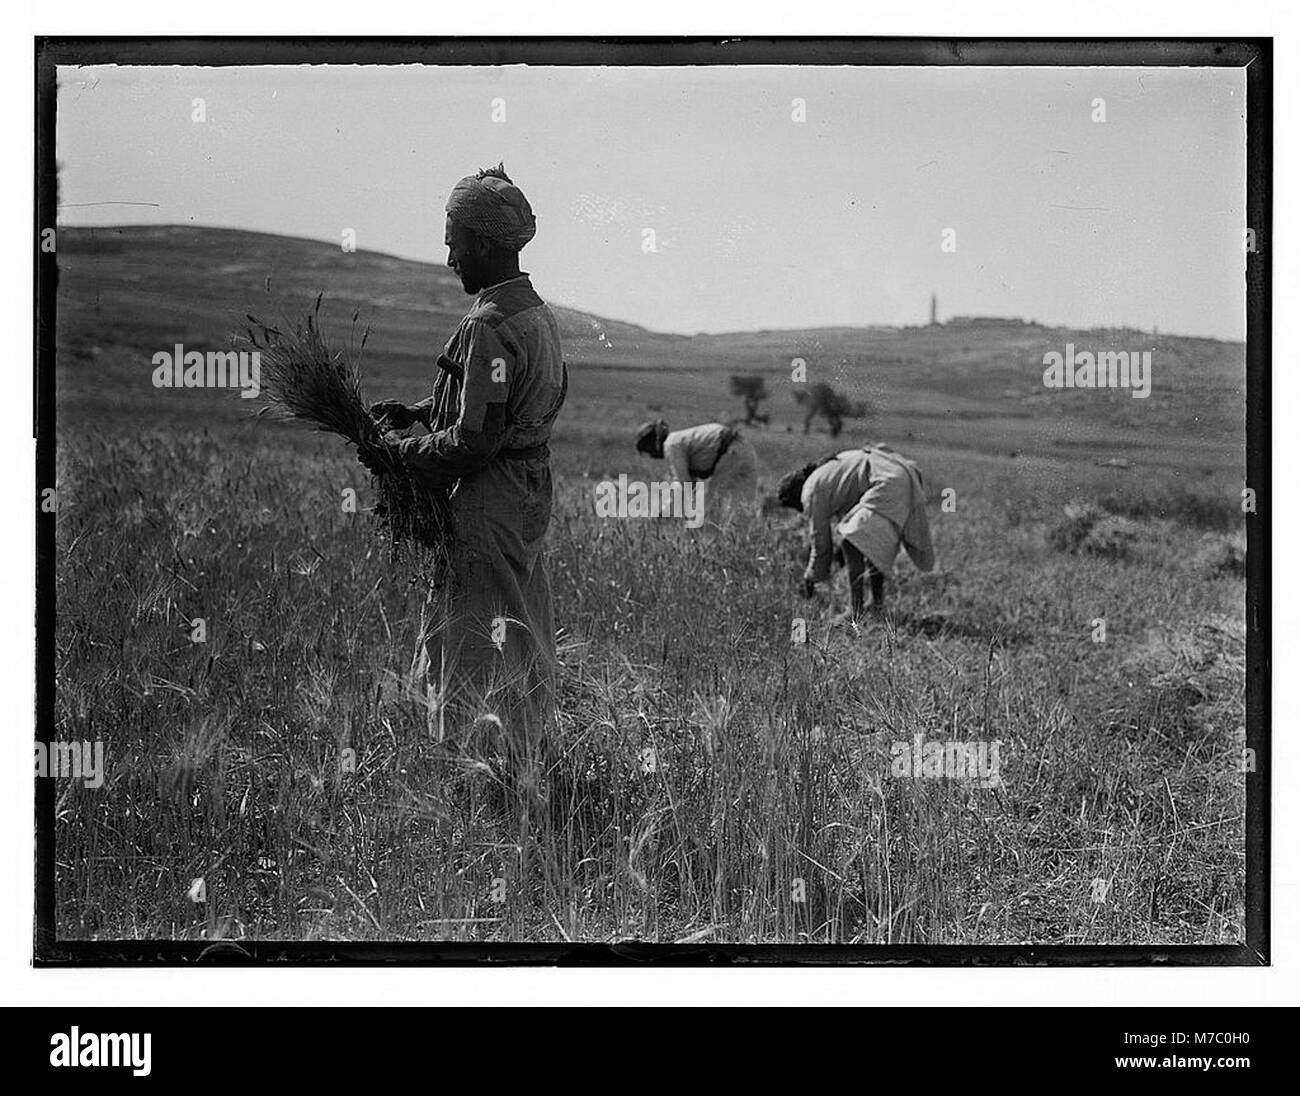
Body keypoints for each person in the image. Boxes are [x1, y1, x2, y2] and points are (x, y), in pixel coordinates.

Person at [361, 164, 566, 773]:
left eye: (453, 239)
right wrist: (424, 411)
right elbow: (502, 406)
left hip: (488, 498)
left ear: (481, 242)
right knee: (519, 625)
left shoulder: (489, 325)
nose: (448, 254)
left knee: (471, 637)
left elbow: (477, 440)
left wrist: (398, 453)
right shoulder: (535, 313)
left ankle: (481, 775)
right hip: (527, 491)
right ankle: (527, 757)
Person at [777, 443, 935, 617]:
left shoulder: (810, 491)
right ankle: (876, 605)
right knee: (868, 546)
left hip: (887, 482)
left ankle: (856, 611)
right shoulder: (826, 473)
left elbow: (820, 542)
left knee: (851, 543)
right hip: (899, 474)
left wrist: (809, 580)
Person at [633, 419, 758, 518]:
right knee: (742, 508)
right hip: (744, 450)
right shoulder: (680, 439)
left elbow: (684, 485)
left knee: (711, 506)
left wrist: (664, 513)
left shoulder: (671, 445)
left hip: (731, 453)